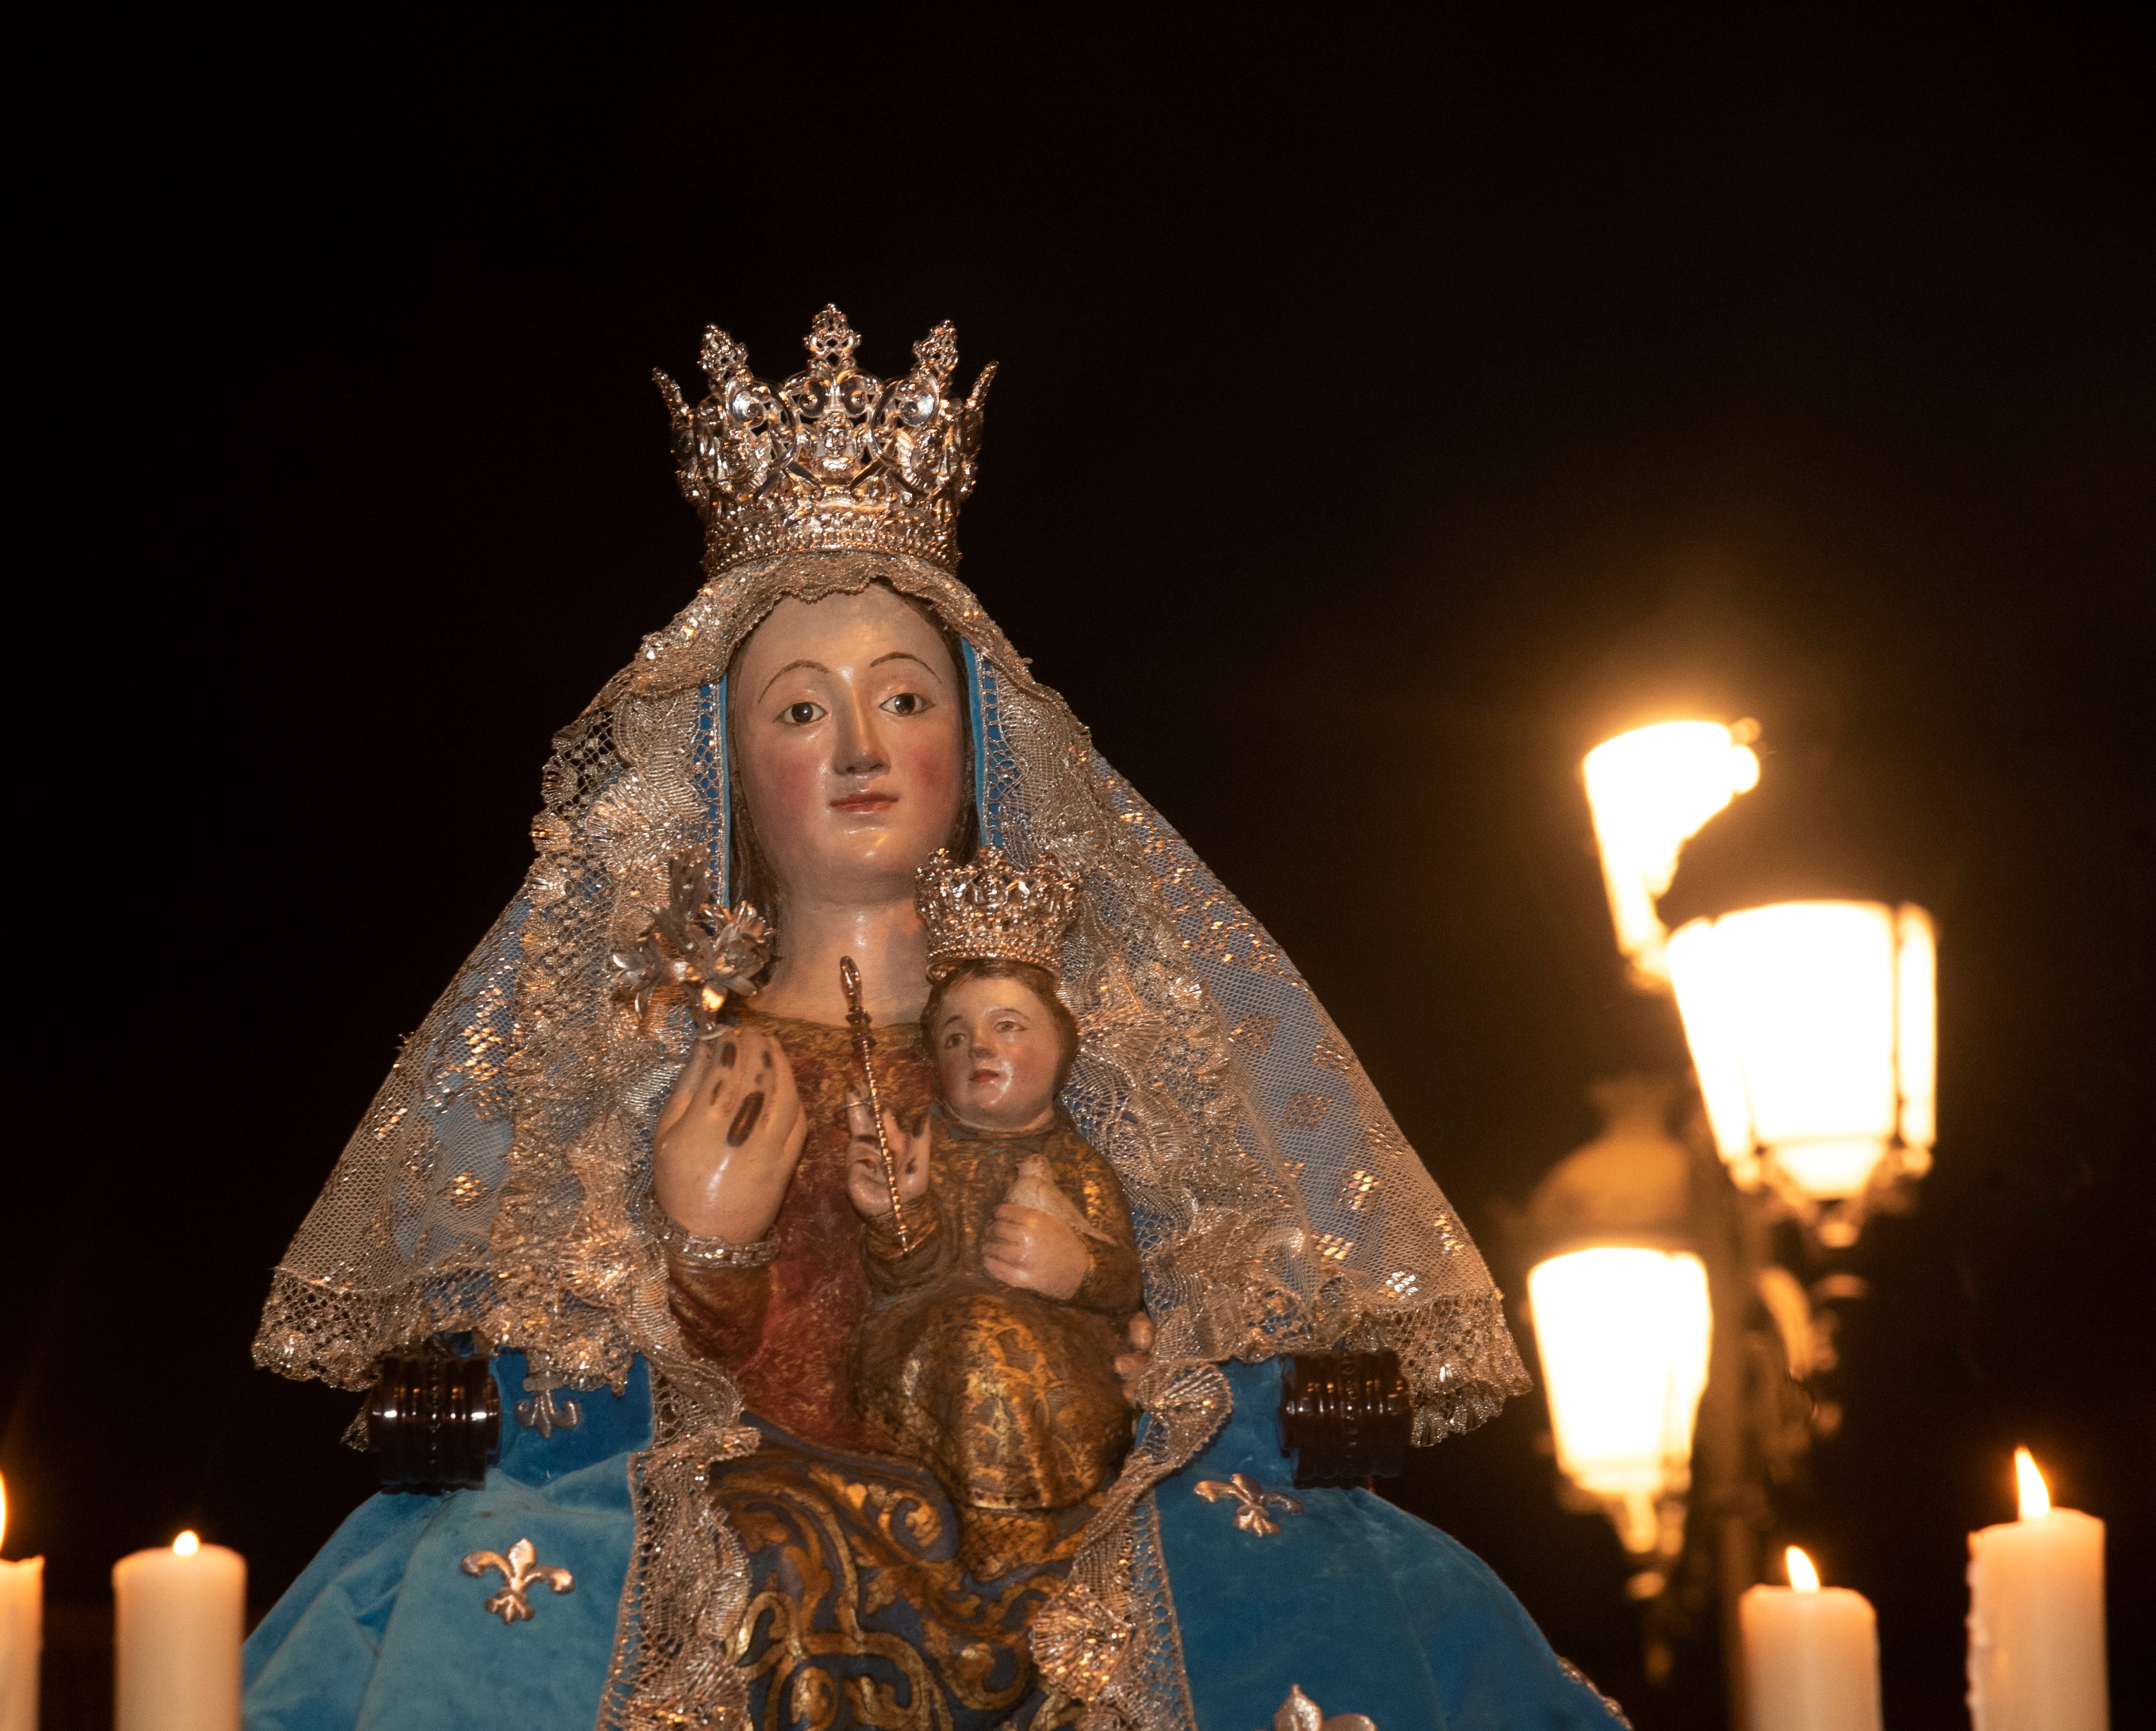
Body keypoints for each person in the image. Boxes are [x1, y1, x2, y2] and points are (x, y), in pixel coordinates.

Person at [242, 307, 1629, 1731]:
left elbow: (1225, 1332)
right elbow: (568, 1411)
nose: (860, 748)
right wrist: (705, 1249)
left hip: (1059, 1535)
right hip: (768, 1561)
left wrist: (1143, 1333)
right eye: (800, 712)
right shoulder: (657, 1058)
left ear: (970, 741)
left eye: (902, 698)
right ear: (726, 768)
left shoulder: (1105, 1049)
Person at [842, 849, 1142, 1578]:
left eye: (1007, 1026)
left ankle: (1046, 1537)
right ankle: (1001, 1538)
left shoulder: (1078, 1164)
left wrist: (1076, 1268)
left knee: (1018, 1352)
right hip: (929, 1348)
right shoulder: (928, 1146)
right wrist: (897, 1211)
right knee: (979, 1332)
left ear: (1061, 1046)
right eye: (954, 1036)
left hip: (1063, 1356)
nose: (978, 1045)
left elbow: (1122, 1279)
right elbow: (907, 1277)